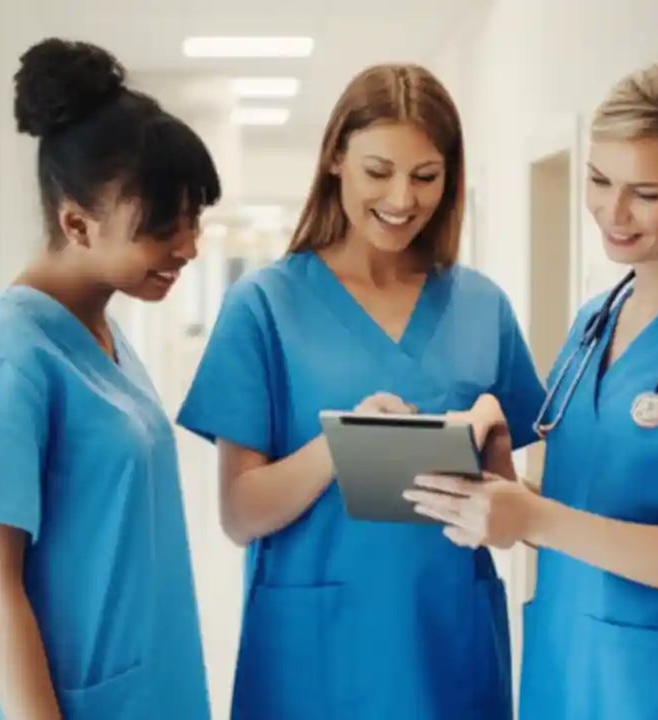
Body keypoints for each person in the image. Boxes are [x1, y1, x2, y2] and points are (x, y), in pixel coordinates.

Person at [405, 64, 658, 719]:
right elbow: (581, 514)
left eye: (645, 193)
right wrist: (503, 486)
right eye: (598, 180)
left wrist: (535, 517)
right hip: (568, 674)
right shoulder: (596, 321)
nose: (612, 213)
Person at [177, 63, 546, 719]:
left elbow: (511, 520)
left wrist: (490, 442)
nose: (402, 198)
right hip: (314, 660)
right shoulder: (264, 306)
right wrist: (343, 443)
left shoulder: (481, 307)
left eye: (425, 176)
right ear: (335, 161)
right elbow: (239, 513)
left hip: (448, 651)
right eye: (378, 172)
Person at [0, 38, 221, 720]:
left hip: (149, 687)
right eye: (161, 227)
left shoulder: (105, 334)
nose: (187, 248)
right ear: (76, 223)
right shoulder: (6, 354)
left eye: (193, 221)